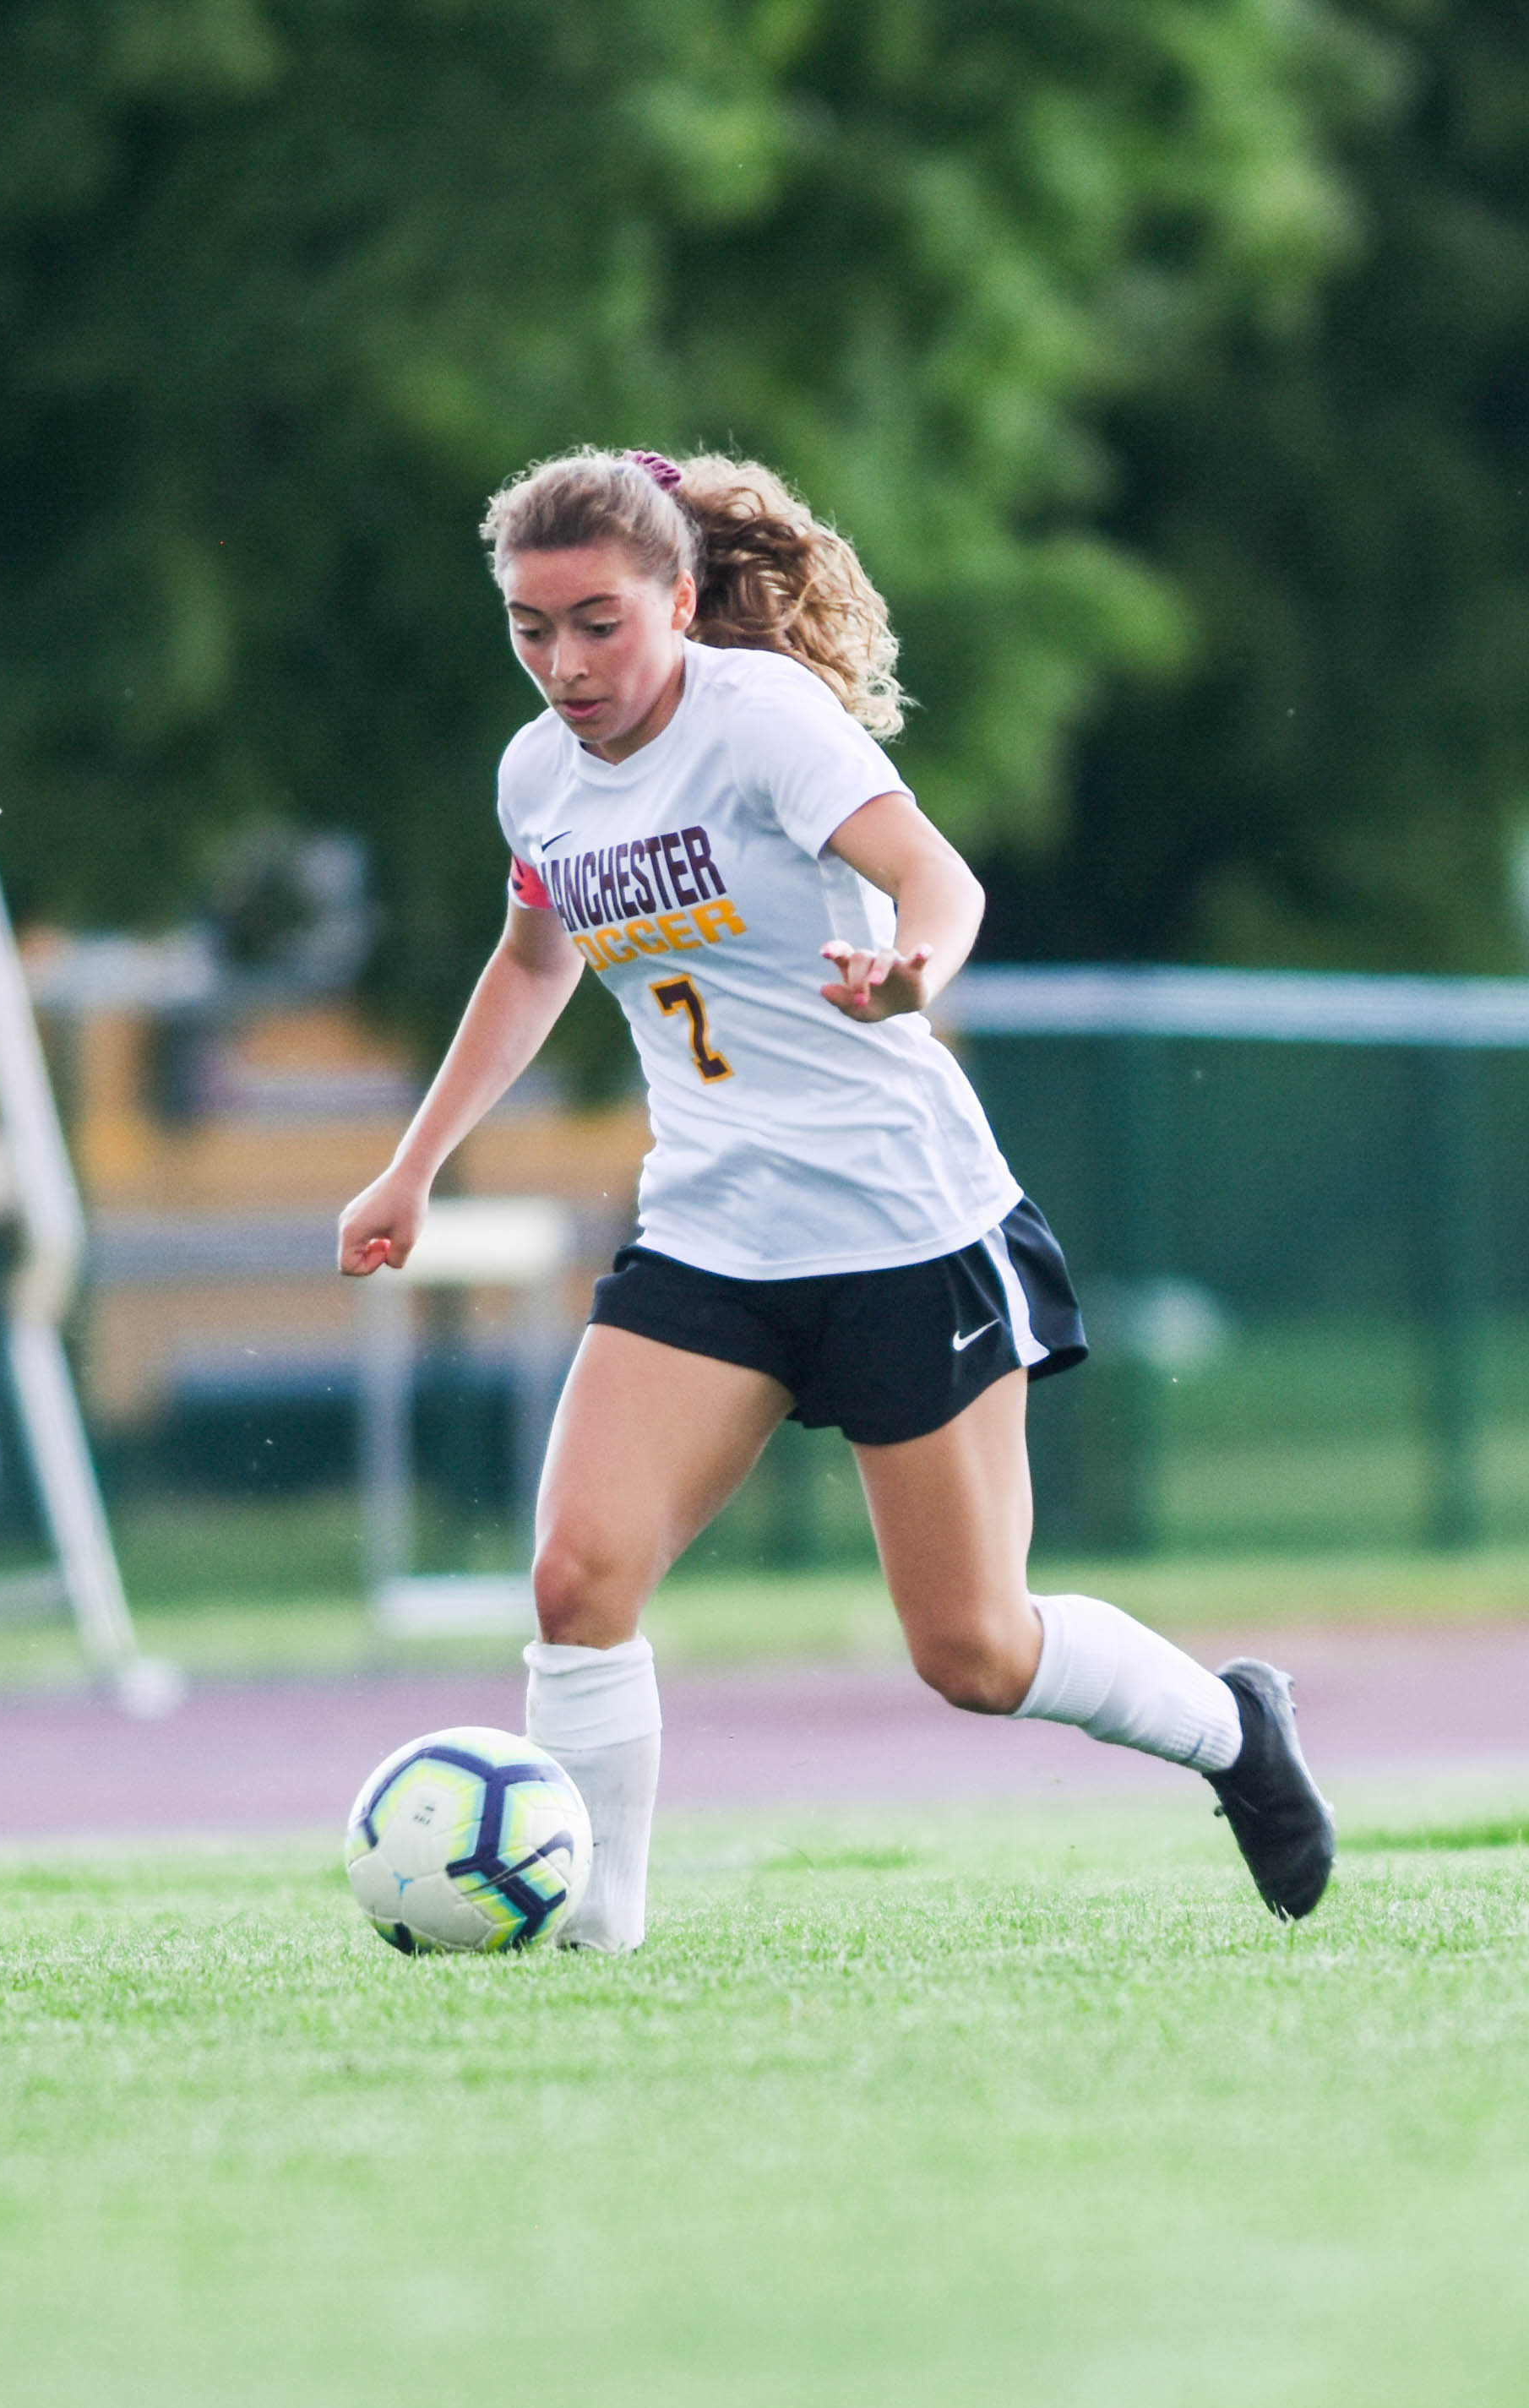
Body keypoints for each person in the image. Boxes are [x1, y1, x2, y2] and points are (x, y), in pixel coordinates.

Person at [339, 447, 1336, 1953]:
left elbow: (943, 882)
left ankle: (1233, 1729)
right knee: (577, 1578)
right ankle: (593, 1938)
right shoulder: (536, 777)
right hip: (711, 1235)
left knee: (976, 1652)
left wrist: (913, 971)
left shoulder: (763, 721)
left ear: (680, 600)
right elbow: (532, 964)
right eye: (531, 629)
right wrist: (414, 1164)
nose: (566, 664)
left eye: (600, 623)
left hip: (901, 1229)